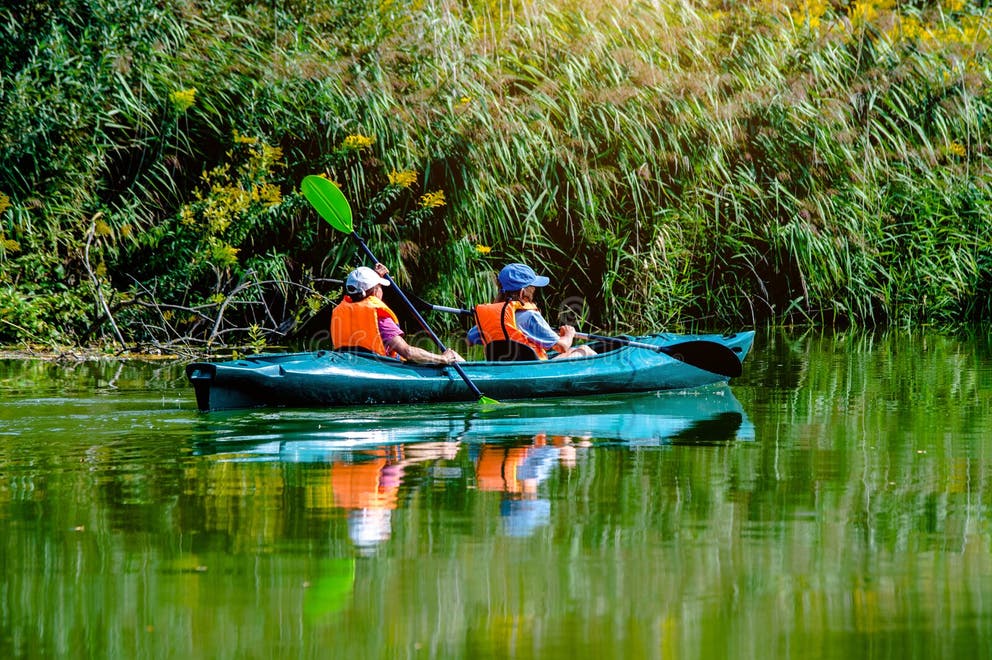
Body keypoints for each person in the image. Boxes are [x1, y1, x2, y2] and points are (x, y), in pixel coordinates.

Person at [331, 263, 464, 365]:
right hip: (381, 369)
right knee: (454, 356)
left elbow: (365, 291)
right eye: (380, 287)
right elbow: (408, 352)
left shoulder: (341, 311)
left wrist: (376, 277)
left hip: (350, 364)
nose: (382, 291)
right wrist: (443, 358)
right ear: (376, 291)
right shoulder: (380, 318)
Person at [468, 262, 596, 360]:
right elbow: (561, 347)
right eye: (533, 287)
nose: (534, 290)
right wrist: (569, 334)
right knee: (584, 349)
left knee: (573, 350)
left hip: (502, 371)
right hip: (536, 372)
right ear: (523, 292)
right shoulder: (530, 316)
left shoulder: (491, 320)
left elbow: (470, 340)